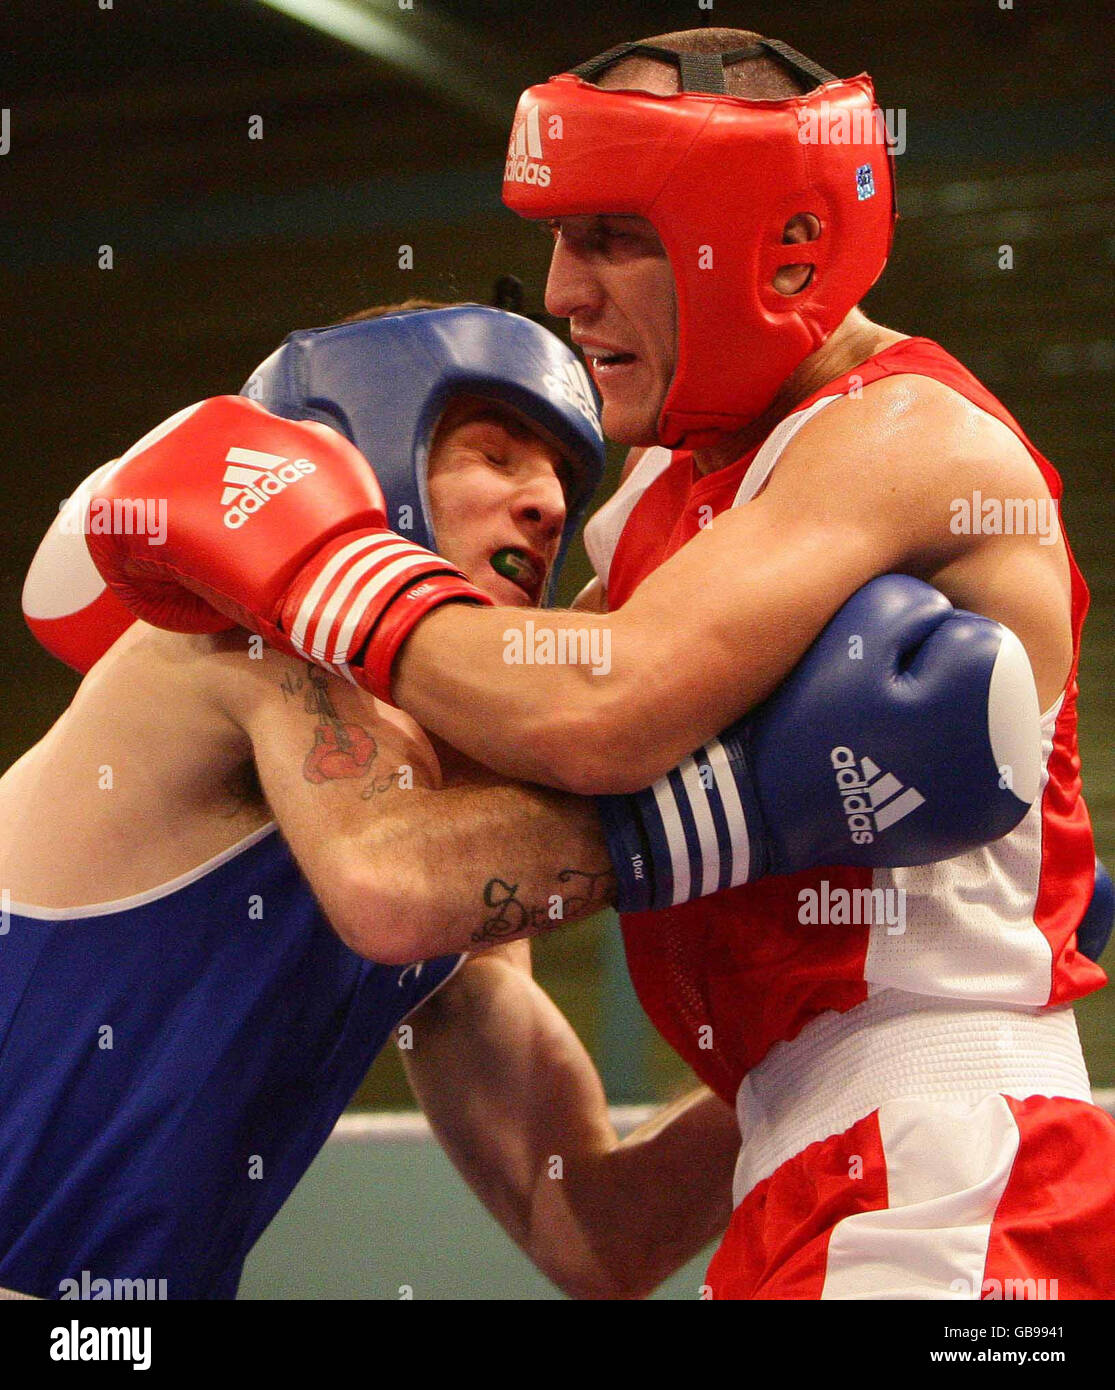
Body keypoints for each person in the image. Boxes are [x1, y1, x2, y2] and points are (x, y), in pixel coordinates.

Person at [81, 28, 1115, 1301]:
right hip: (806, 1169)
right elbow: (594, 1231)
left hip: (949, 1178)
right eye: (559, 237)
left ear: (772, 239)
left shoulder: (902, 433)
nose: (564, 291)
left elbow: (597, 710)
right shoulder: (646, 516)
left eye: (612, 235)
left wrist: (307, 562)